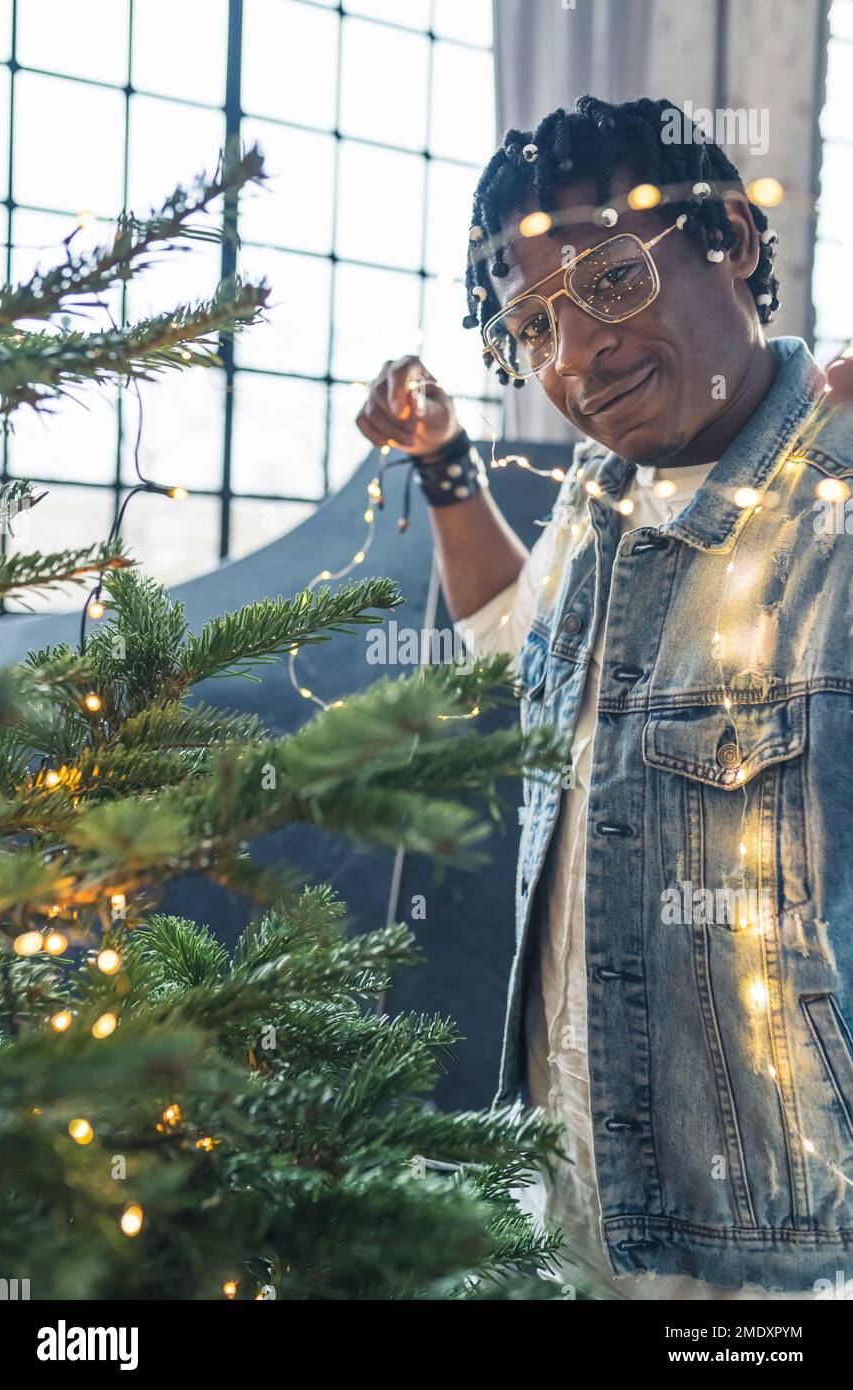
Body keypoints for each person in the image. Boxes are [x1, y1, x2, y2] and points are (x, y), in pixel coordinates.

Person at [355, 96, 853, 1299]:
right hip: (574, 1189)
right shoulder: (598, 486)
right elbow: (508, 647)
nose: (574, 356)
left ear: (728, 238)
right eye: (533, 324)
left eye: (611, 284)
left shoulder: (838, 497)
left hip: (776, 1256)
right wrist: (444, 463)